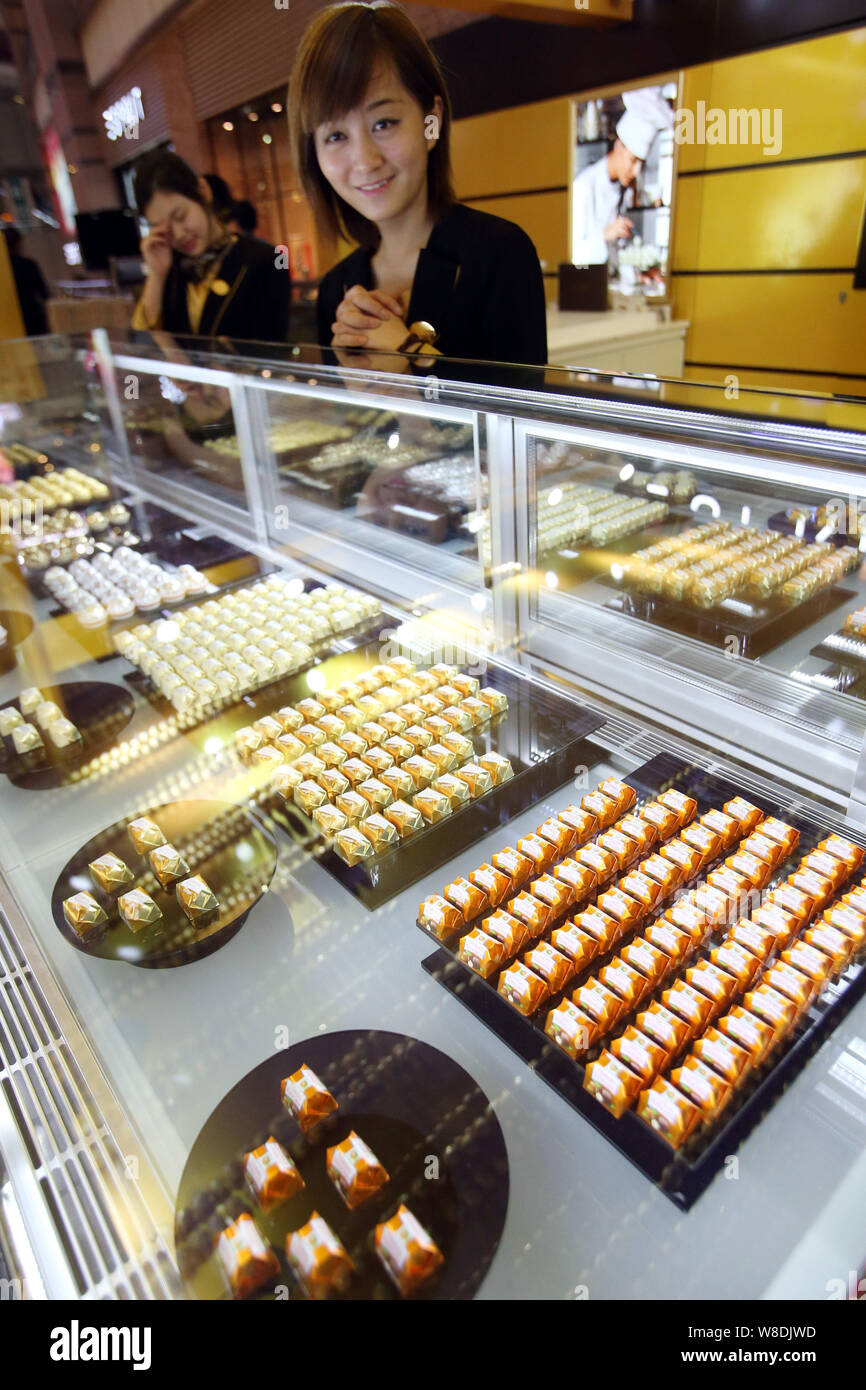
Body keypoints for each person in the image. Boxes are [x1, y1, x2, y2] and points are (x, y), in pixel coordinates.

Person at [288, 1, 547, 369]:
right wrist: (352, 385)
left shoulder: (498, 254)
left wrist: (411, 353)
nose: (364, 160)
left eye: (384, 123)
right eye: (335, 136)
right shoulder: (336, 288)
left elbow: (523, 416)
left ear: (432, 121)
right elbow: (356, 421)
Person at [131, 151, 290, 344]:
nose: (179, 234)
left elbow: (271, 349)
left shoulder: (267, 259)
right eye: (163, 228)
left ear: (203, 191)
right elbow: (142, 344)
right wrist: (156, 274)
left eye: (180, 216)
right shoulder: (170, 267)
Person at [572, 88, 672, 268]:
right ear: (619, 146)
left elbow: (615, 254)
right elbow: (574, 253)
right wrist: (605, 234)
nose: (635, 171)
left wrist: (642, 271)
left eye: (640, 164)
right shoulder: (583, 186)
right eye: (633, 160)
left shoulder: (620, 191)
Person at [4, 226, 49, 336]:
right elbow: (44, 293)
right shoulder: (28, 264)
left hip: (10, 318)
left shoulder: (4, 269)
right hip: (33, 315)